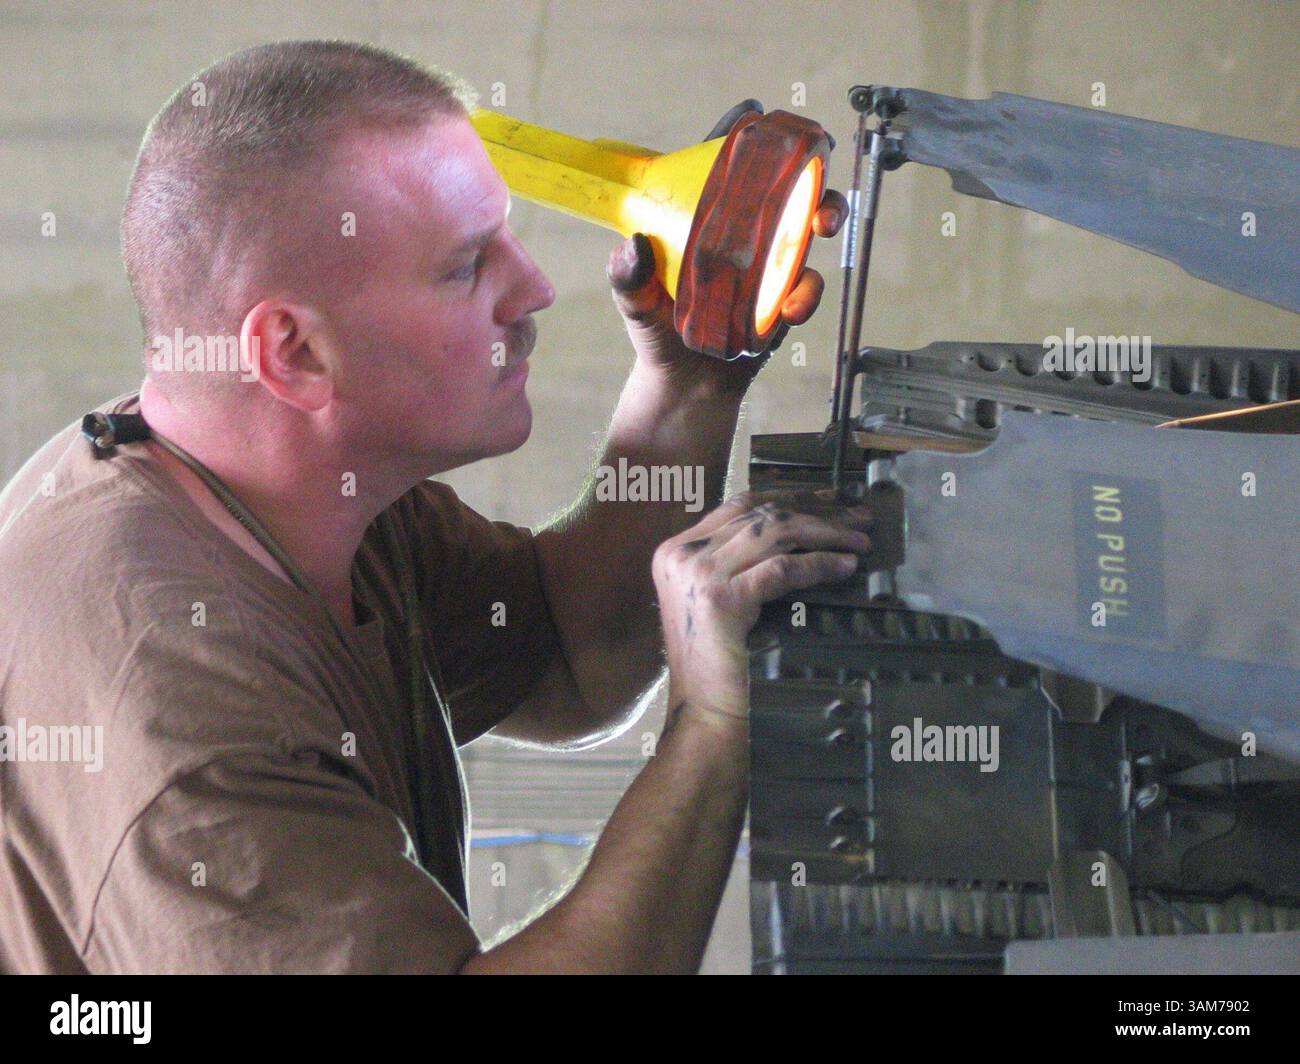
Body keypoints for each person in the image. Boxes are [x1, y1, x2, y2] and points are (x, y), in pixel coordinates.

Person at [0, 40, 870, 974]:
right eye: (464, 268)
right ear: (293, 354)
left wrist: (689, 386)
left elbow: (570, 663)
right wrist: (714, 726)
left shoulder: (309, 499)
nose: (534, 289)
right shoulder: (190, 741)